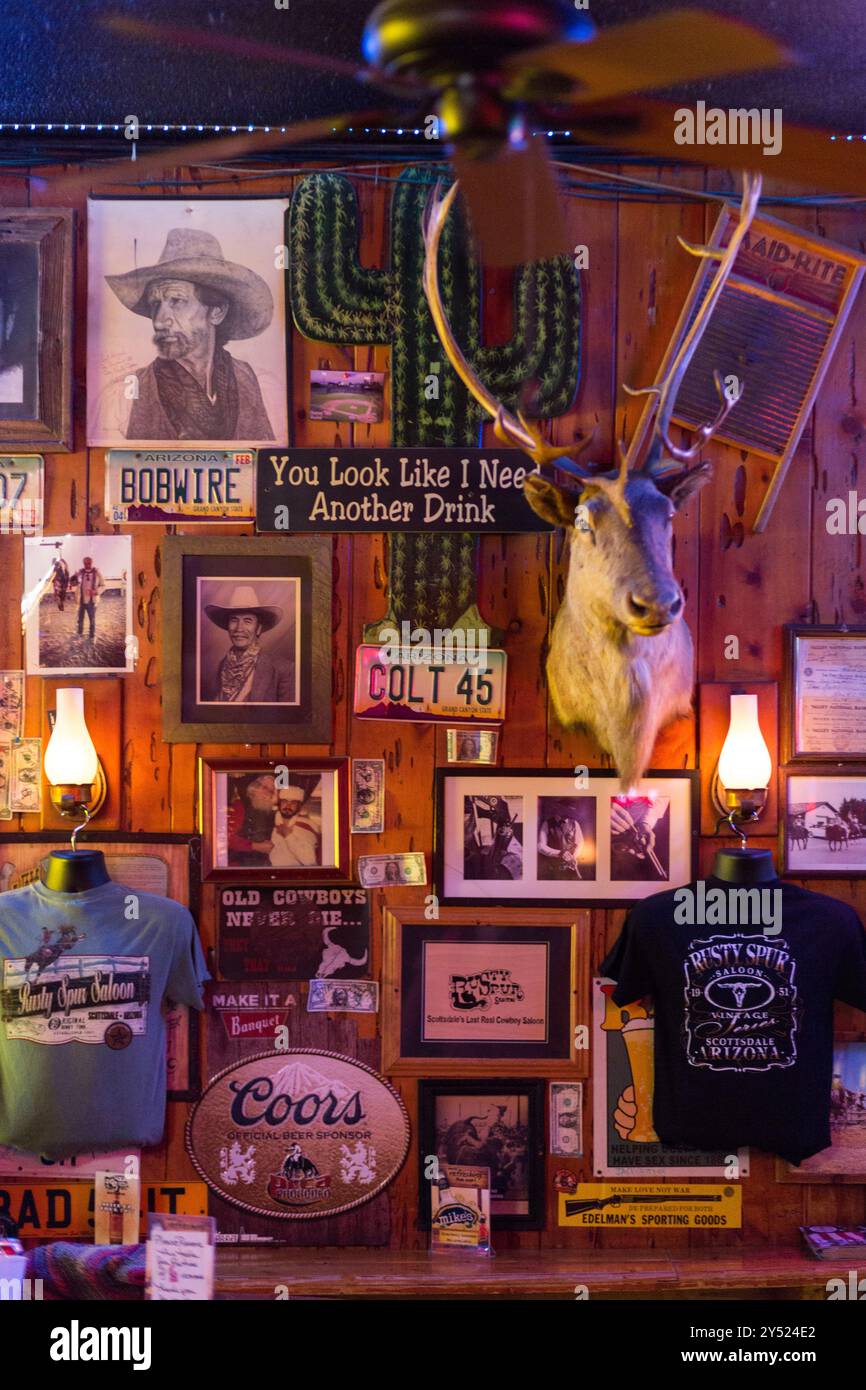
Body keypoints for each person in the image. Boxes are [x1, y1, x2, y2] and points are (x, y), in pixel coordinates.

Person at [93, 228, 277, 441]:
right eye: (155, 304)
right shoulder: (122, 400)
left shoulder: (262, 388)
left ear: (217, 311)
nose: (160, 320)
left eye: (177, 301)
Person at [202, 585, 295, 704]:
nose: (239, 628)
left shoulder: (283, 669)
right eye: (234, 620)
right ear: (228, 626)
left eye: (247, 621)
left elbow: (286, 718)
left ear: (258, 629)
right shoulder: (222, 665)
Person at [270, 784, 322, 868]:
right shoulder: (272, 821)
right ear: (279, 804)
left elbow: (309, 860)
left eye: (293, 803)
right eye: (284, 801)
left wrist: (288, 835)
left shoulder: (306, 825)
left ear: (299, 806)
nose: (288, 806)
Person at [538, 810, 584, 880]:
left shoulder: (575, 823)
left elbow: (580, 843)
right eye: (567, 807)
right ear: (559, 807)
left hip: (571, 869)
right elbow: (540, 846)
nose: (571, 810)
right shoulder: (547, 823)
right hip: (553, 869)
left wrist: (574, 856)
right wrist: (560, 853)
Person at [74, 556, 105, 641]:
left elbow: (103, 586)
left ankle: (91, 636)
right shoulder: (80, 573)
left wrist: (95, 592)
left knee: (92, 619)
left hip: (92, 601)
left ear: (92, 563)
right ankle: (79, 633)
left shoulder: (97, 573)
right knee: (80, 619)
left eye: (89, 563)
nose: (87, 564)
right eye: (85, 563)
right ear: (83, 563)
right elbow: (73, 583)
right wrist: (75, 577)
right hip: (81, 600)